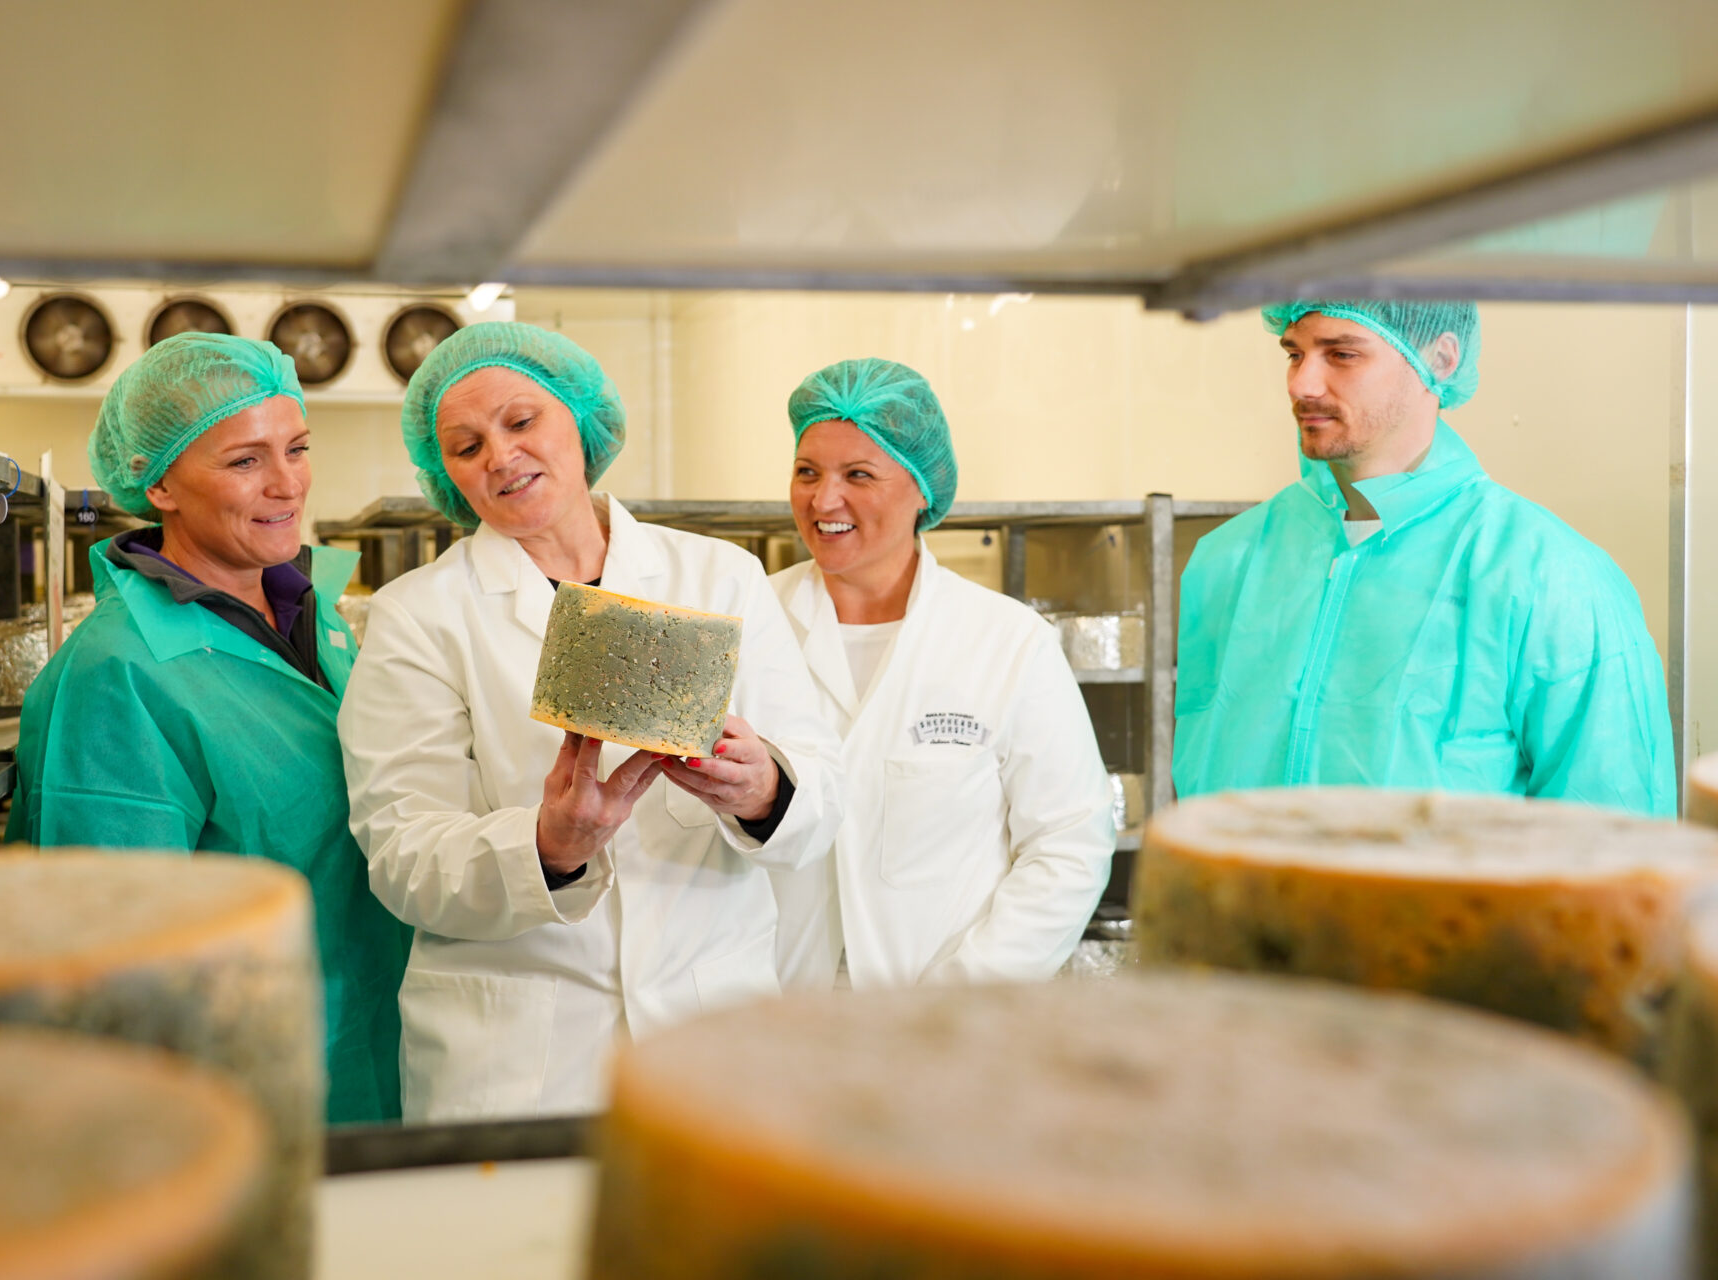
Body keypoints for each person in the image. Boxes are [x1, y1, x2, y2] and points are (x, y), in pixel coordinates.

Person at [339, 321, 841, 1121]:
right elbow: (401, 851)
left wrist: (764, 787)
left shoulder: (720, 577)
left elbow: (823, 794)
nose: (499, 457)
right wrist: (548, 848)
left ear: (579, 418)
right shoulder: (419, 617)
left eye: (521, 420)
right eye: (465, 447)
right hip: (516, 1062)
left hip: (711, 1038)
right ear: (448, 475)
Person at [7, 333, 414, 1125]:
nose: (286, 483)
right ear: (158, 482)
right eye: (243, 462)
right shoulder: (118, 675)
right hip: (244, 1096)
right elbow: (114, 963)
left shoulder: (320, 617)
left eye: (296, 448)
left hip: (380, 1048)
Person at [1175, 300, 1674, 815]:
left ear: (1440, 359)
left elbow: (1614, 839)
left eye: (1342, 354)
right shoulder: (1229, 561)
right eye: (1294, 354)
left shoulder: (1546, 575)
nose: (1302, 384)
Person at [766, 358, 1115, 991]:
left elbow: (1068, 843)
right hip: (770, 1007)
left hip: (946, 1014)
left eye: (858, 475)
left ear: (923, 488)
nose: (824, 500)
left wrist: (964, 996)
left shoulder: (1005, 641)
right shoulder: (747, 622)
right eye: (807, 472)